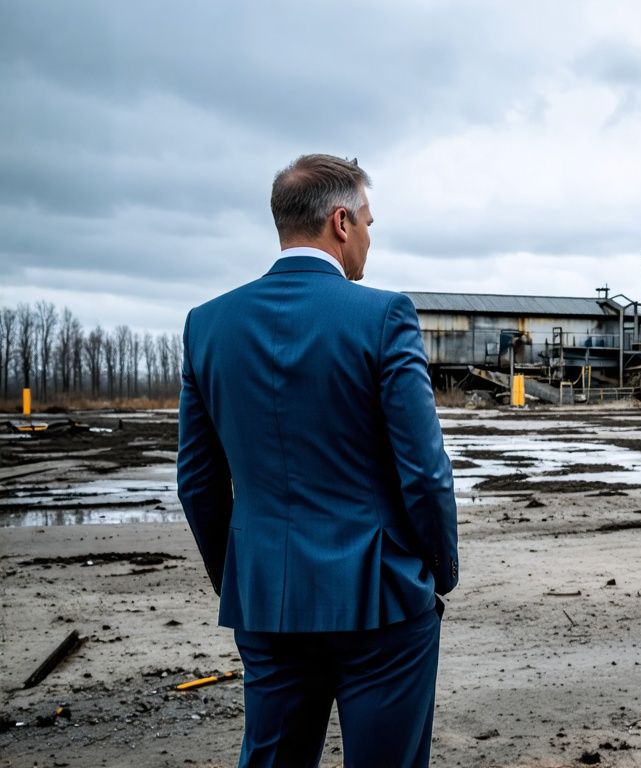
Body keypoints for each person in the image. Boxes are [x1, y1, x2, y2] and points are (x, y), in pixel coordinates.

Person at [177, 154, 458, 767]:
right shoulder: (383, 315)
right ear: (341, 222)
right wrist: (438, 570)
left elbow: (197, 481)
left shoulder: (206, 325)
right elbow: (426, 473)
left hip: (268, 600)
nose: (368, 239)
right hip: (380, 599)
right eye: (368, 223)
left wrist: (241, 575)